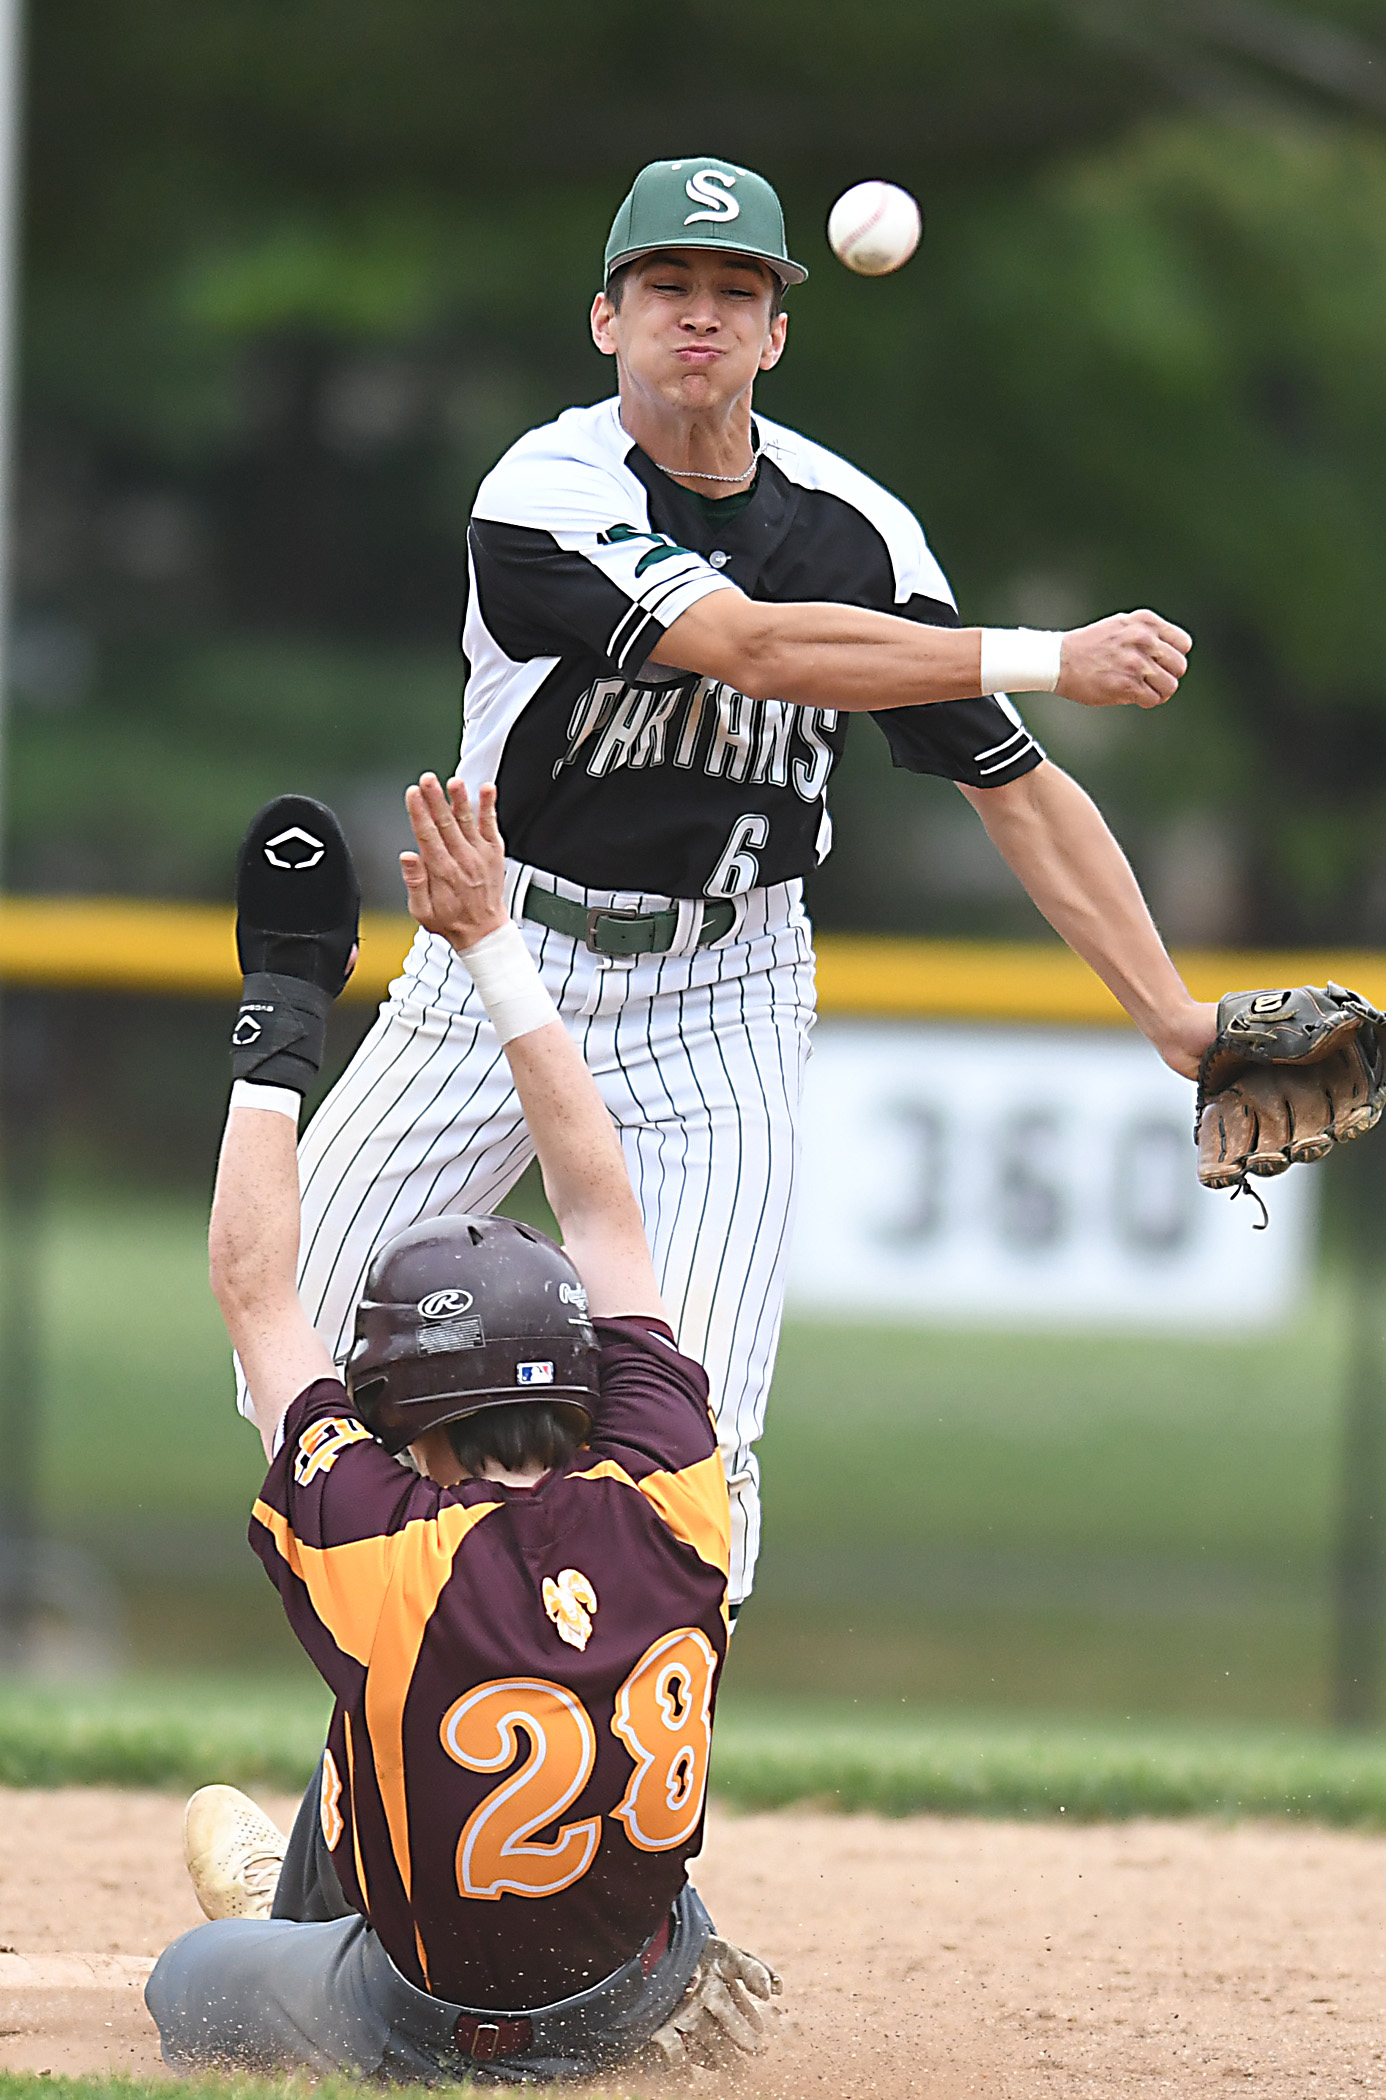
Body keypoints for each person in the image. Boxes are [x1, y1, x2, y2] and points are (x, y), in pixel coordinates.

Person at [271, 154, 1218, 1614]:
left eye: (736, 292)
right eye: (667, 287)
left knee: (695, 1429)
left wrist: (1176, 1018)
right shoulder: (547, 489)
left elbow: (1014, 786)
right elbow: (756, 648)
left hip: (726, 994)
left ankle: (647, 1814)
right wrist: (1049, 651)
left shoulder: (861, 533)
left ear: (778, 333)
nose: (699, 317)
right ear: (606, 319)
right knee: (301, 1351)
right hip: (497, 958)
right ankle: (397, 1749)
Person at [149, 779, 779, 2081]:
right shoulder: (674, 1477)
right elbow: (603, 1211)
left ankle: (293, 1904)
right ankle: (683, 1973)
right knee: (400, 1699)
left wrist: (282, 1004)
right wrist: (492, 940)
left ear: (407, 1414)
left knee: (189, 1982)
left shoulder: (387, 1549)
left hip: (432, 2024)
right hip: (639, 1987)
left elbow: (257, 1292)